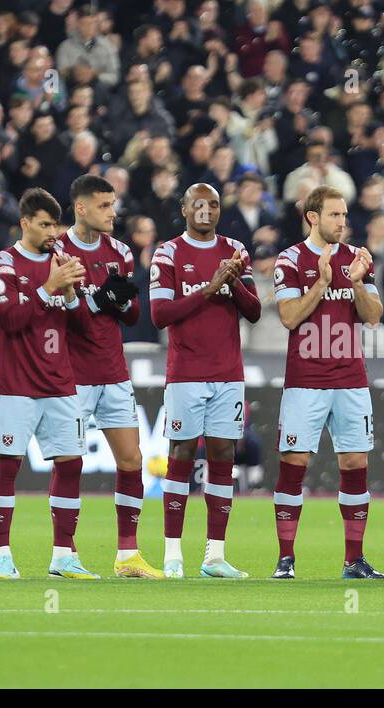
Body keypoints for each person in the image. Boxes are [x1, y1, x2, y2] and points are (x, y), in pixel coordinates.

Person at [270, 185, 384, 580]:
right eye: (334, 215)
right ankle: (286, 559)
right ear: (312, 217)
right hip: (305, 379)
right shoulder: (290, 259)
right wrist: (320, 284)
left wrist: (355, 283)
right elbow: (289, 318)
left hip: (351, 378)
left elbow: (373, 316)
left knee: (355, 462)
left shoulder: (357, 259)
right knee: (294, 463)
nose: (342, 222)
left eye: (344, 214)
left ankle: (354, 560)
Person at [149, 182, 261, 578]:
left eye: (212, 204)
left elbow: (254, 311)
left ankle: (214, 556)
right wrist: (210, 289)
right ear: (184, 208)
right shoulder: (167, 253)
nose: (206, 210)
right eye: (198, 204)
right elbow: (161, 314)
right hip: (186, 373)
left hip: (228, 373)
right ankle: (173, 555)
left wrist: (232, 285)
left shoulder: (235, 252)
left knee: (222, 458)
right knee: (180, 454)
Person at [0, 188, 95, 580]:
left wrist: (68, 294)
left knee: (71, 463)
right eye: (46, 224)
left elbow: (83, 327)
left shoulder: (62, 262)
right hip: (17, 386)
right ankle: (1, 554)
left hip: (61, 383)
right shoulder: (3, 263)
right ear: (25, 223)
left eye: (57, 224)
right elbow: (10, 320)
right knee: (9, 465)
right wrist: (49, 286)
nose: (54, 232)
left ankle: (63, 555)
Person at [56, 174, 160, 578]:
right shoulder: (59, 251)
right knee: (71, 461)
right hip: (73, 373)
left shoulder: (120, 252)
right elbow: (73, 320)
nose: (112, 213)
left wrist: (120, 298)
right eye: (104, 205)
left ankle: (127, 556)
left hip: (113, 369)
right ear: (81, 208)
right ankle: (63, 554)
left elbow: (133, 316)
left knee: (131, 459)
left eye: (113, 204)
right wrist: (102, 300)